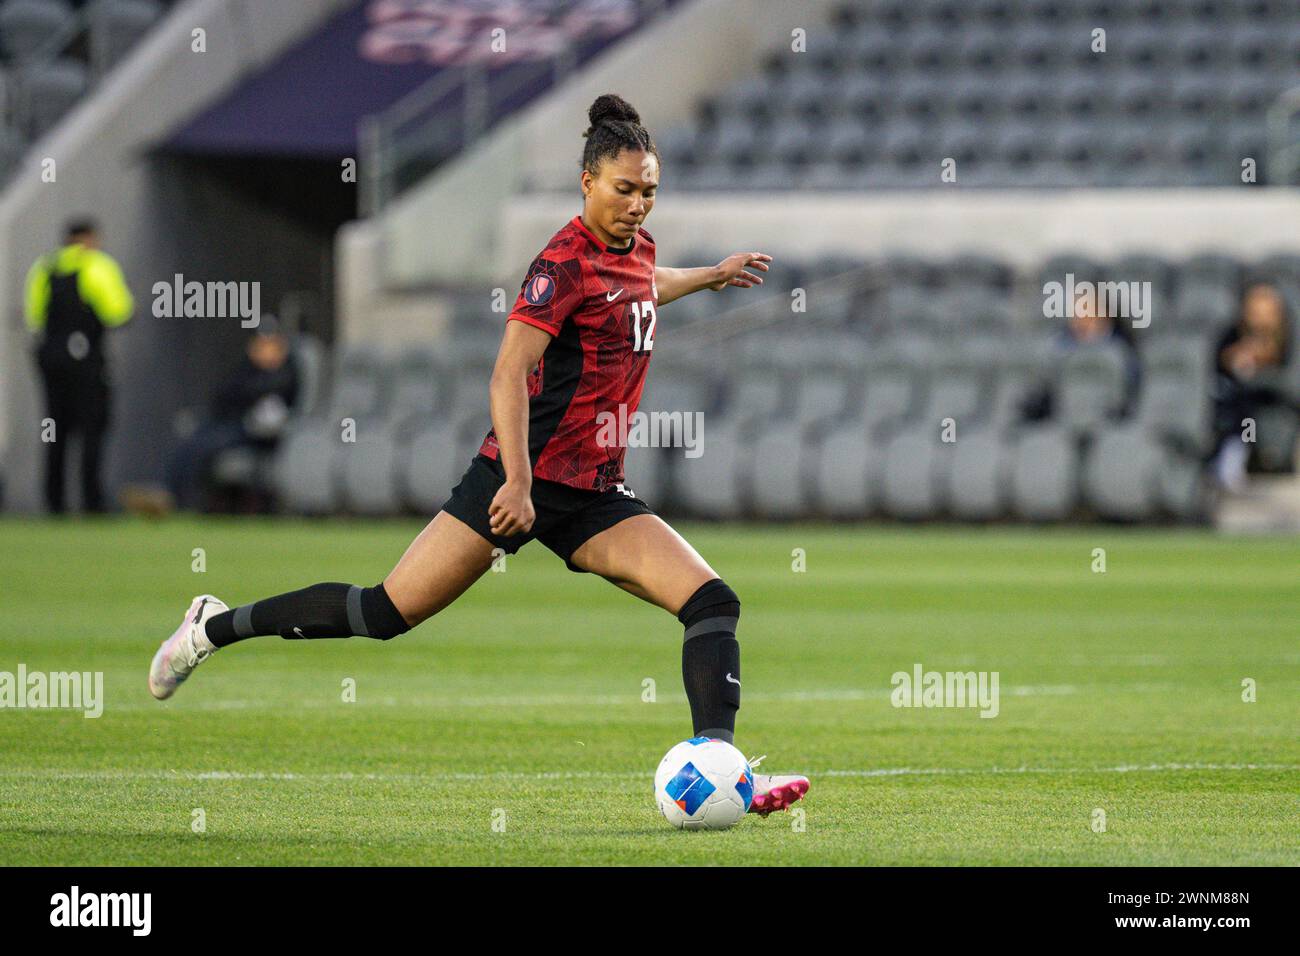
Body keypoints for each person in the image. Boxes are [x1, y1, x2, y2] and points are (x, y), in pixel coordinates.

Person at [147, 94, 809, 816]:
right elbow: (507, 376)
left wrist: (709, 275)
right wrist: (519, 481)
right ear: (587, 182)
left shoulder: (635, 251)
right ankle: (212, 626)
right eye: (625, 190)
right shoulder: (558, 267)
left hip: (591, 494)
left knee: (712, 602)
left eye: (649, 190)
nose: (638, 205)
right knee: (383, 613)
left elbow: (641, 289)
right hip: (515, 479)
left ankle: (722, 768)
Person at [24, 219, 134, 514]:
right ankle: (91, 501)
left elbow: (33, 317)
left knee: (54, 428)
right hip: (85, 361)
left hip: (50, 358)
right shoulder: (97, 265)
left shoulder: (43, 268)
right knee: (92, 428)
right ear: (88, 240)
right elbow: (119, 312)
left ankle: (54, 502)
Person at [164, 318, 299, 511]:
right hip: (230, 424)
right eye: (261, 345)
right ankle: (170, 495)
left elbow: (270, 397)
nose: (267, 351)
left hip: (258, 434)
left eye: (272, 345)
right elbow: (223, 396)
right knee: (191, 441)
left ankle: (181, 501)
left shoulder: (286, 372)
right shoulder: (246, 369)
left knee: (206, 444)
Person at [1211, 283, 1294, 491]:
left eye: (1266, 311)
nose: (1259, 319)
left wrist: (1264, 368)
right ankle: (1233, 461)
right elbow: (1221, 366)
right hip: (1243, 410)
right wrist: (1235, 361)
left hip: (1282, 407)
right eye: (1254, 311)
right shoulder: (1233, 333)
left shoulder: (1291, 337)